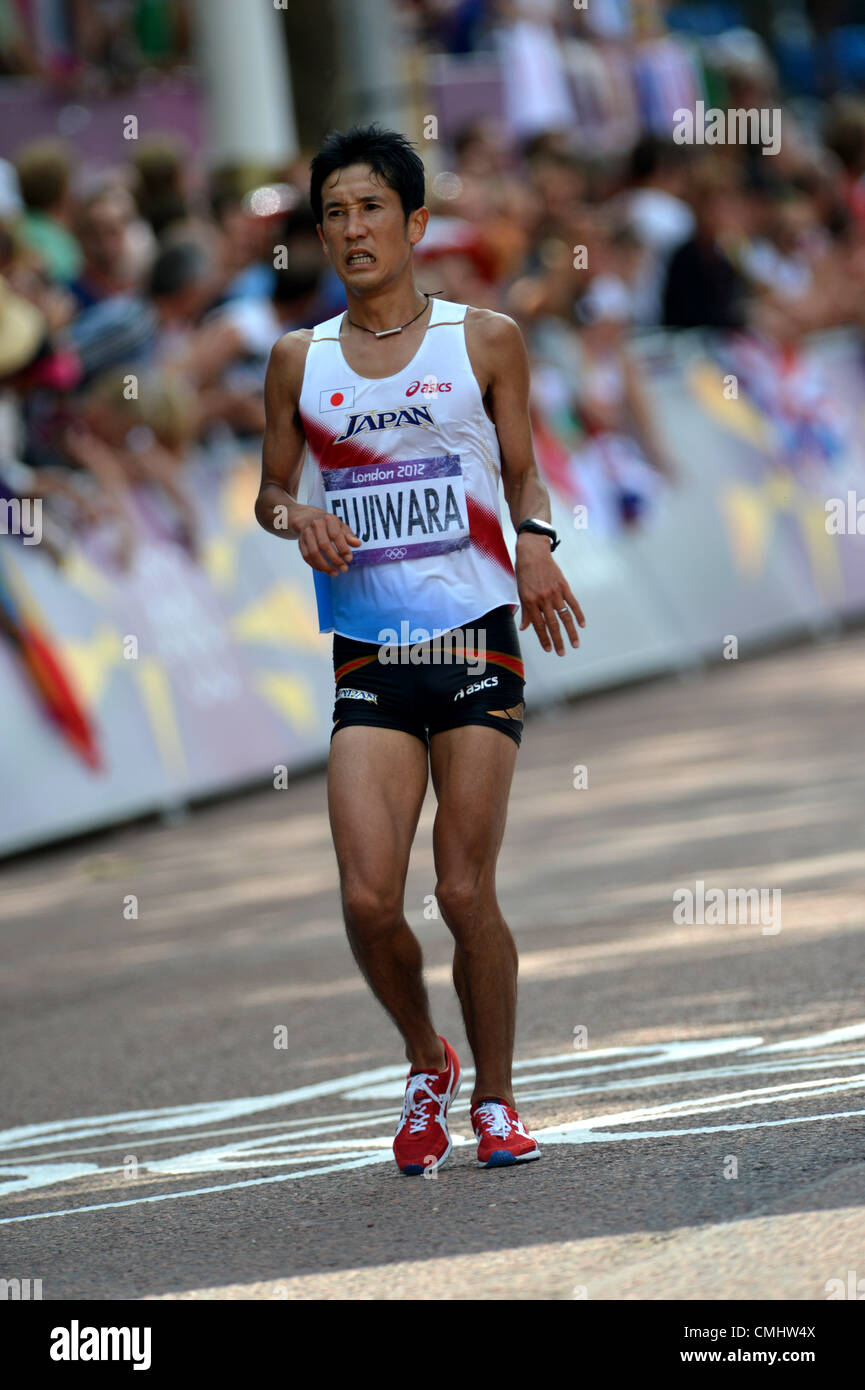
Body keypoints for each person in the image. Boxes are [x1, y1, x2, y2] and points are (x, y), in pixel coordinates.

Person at [256, 124, 585, 1174]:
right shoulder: (297, 361)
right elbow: (268, 489)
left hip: (476, 637)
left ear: (415, 224)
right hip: (368, 649)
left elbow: (525, 474)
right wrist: (292, 518)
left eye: (369, 209)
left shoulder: (484, 339)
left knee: (460, 890)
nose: (352, 230)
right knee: (364, 896)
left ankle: (495, 1096)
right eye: (334, 214)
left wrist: (534, 546)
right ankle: (424, 1057)